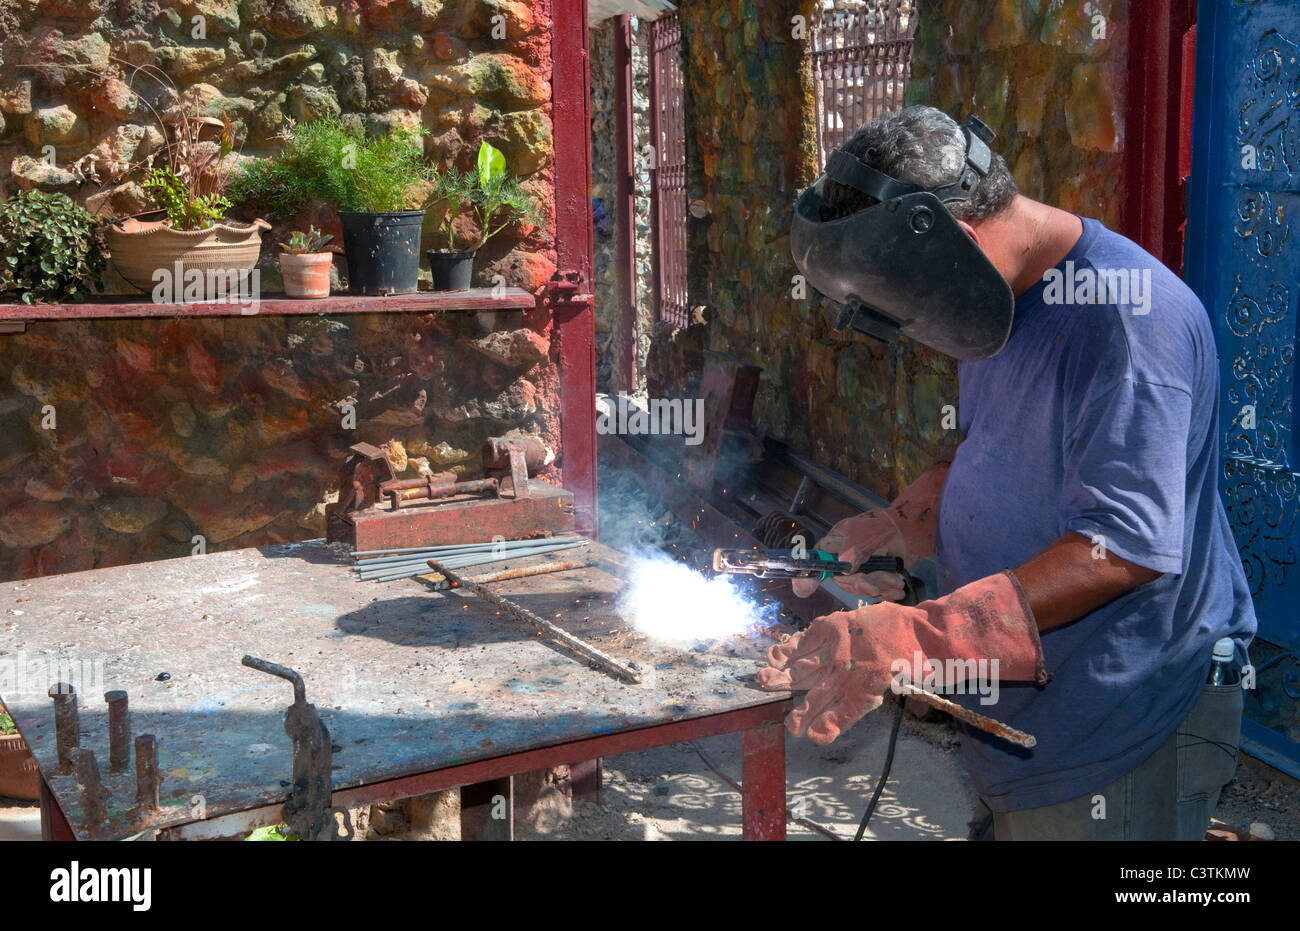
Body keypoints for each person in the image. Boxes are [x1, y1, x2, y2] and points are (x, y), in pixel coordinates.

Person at [760, 105, 1256, 841]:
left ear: (954, 243)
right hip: (1029, 710)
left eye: (910, 305)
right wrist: (907, 523)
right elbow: (1005, 446)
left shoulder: (1125, 322)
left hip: (1117, 721)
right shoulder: (1002, 300)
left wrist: (920, 637)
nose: (918, 330)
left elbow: (1121, 548)